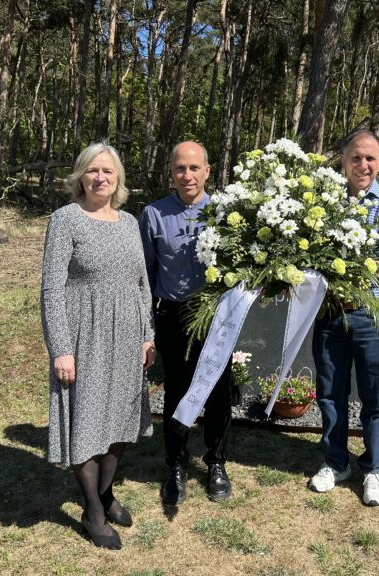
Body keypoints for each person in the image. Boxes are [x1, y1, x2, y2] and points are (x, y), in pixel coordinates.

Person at [41, 143, 156, 549]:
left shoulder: (129, 222)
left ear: (118, 179)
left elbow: (142, 284)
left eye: (108, 171)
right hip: (83, 336)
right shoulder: (65, 220)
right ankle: (92, 508)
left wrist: (148, 335)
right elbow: (52, 290)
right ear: (80, 176)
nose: (100, 178)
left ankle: (106, 492)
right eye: (92, 171)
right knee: (87, 422)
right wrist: (61, 348)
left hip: (127, 335)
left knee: (120, 418)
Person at [308, 130, 379, 506]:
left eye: (369, 158)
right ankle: (336, 463)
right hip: (330, 314)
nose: (362, 165)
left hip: (372, 314)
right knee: (330, 394)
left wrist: (335, 276)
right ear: (343, 160)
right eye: (355, 158)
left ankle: (374, 468)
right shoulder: (323, 202)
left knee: (374, 396)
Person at [139, 141, 233, 506]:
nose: (187, 175)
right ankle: (176, 462)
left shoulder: (227, 213)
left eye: (195, 168)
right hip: (173, 315)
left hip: (217, 315)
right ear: (171, 172)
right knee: (177, 390)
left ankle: (216, 462)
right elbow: (145, 275)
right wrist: (146, 329)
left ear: (208, 171)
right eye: (180, 168)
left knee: (218, 391)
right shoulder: (154, 214)